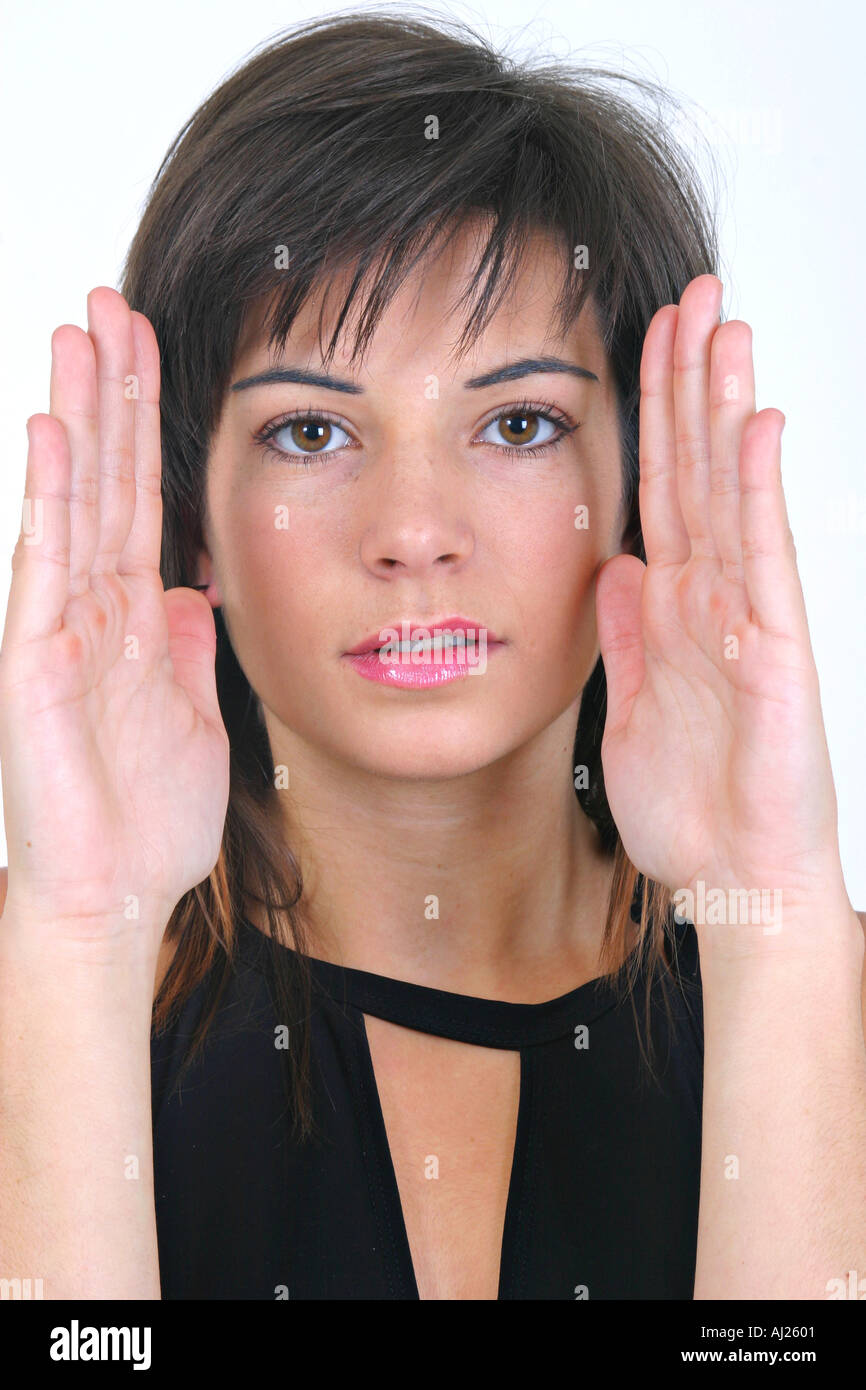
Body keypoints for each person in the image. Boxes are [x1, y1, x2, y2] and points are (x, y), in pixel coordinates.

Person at [1, 10, 864, 1302]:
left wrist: (777, 916)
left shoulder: (812, 975)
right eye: (309, 434)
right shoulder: (42, 974)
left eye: (516, 423)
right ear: (190, 517)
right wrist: (76, 942)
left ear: (640, 485)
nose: (413, 534)